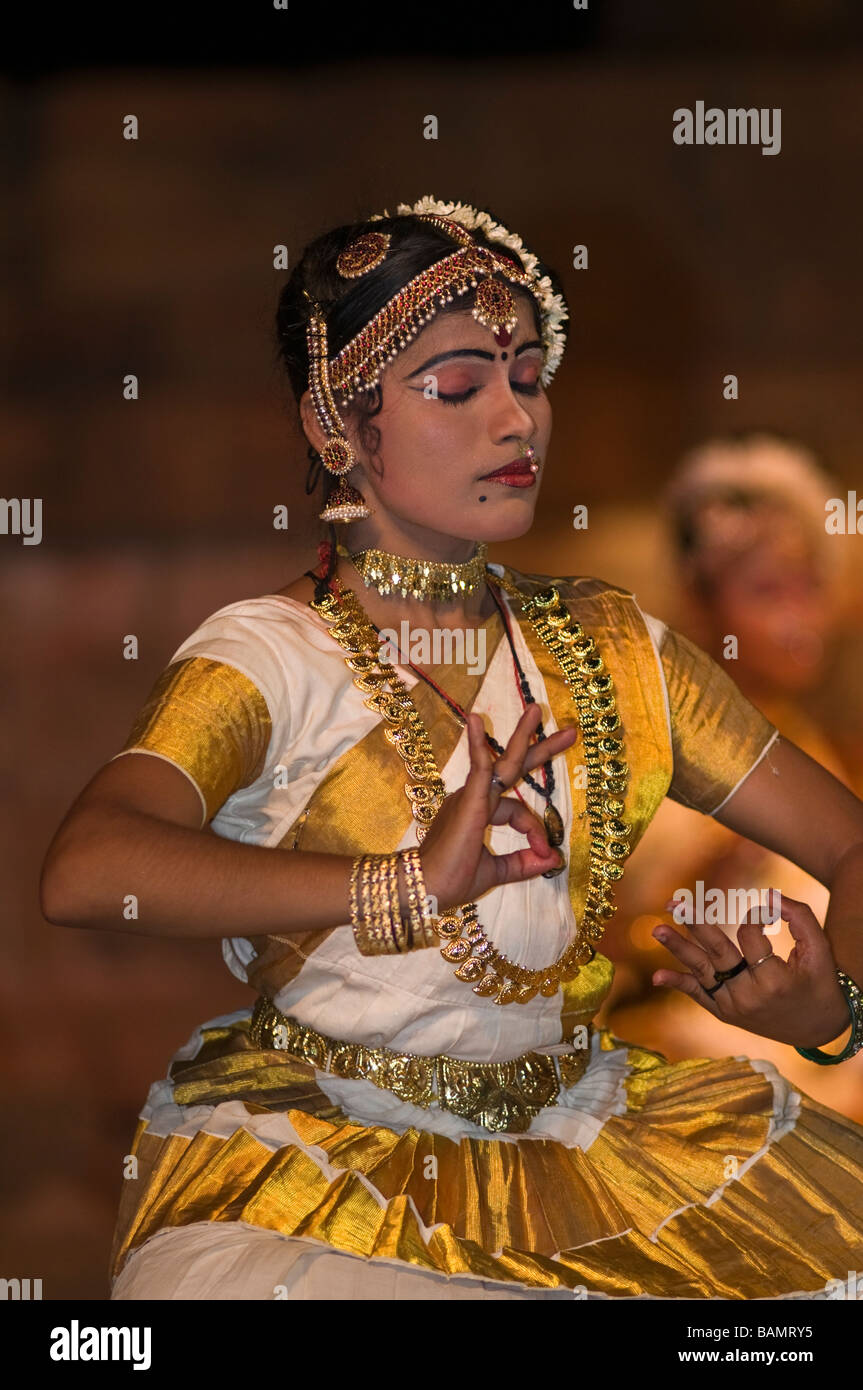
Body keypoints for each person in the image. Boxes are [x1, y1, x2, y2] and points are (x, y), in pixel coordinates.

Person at [40, 196, 863, 1302]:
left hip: (588, 1143)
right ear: (338, 423)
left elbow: (847, 844)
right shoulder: (267, 656)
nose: (514, 420)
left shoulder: (621, 651)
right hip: (318, 1165)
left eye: (526, 378)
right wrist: (403, 882)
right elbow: (88, 869)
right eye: (456, 385)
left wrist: (831, 1003)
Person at [598, 434, 863, 1119]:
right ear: (702, 603)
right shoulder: (651, 751)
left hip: (826, 1070)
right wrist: (673, 922)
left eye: (808, 589)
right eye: (766, 593)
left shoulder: (824, 751)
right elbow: (579, 943)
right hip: (698, 1075)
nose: (795, 621)